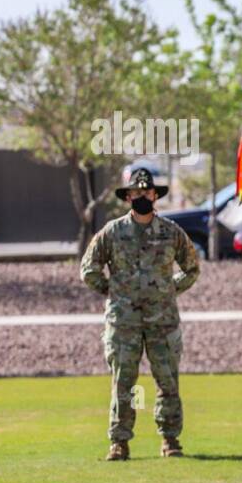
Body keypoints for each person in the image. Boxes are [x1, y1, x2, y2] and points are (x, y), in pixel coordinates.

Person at [80, 166, 199, 461]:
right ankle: (119, 442)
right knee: (123, 382)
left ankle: (170, 440)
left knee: (168, 381)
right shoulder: (113, 232)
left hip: (163, 321)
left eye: (147, 192)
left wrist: (169, 290)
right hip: (125, 323)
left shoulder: (171, 233)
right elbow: (88, 269)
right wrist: (113, 292)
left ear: (155, 195)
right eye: (137, 193)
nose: (142, 196)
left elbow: (192, 268)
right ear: (128, 196)